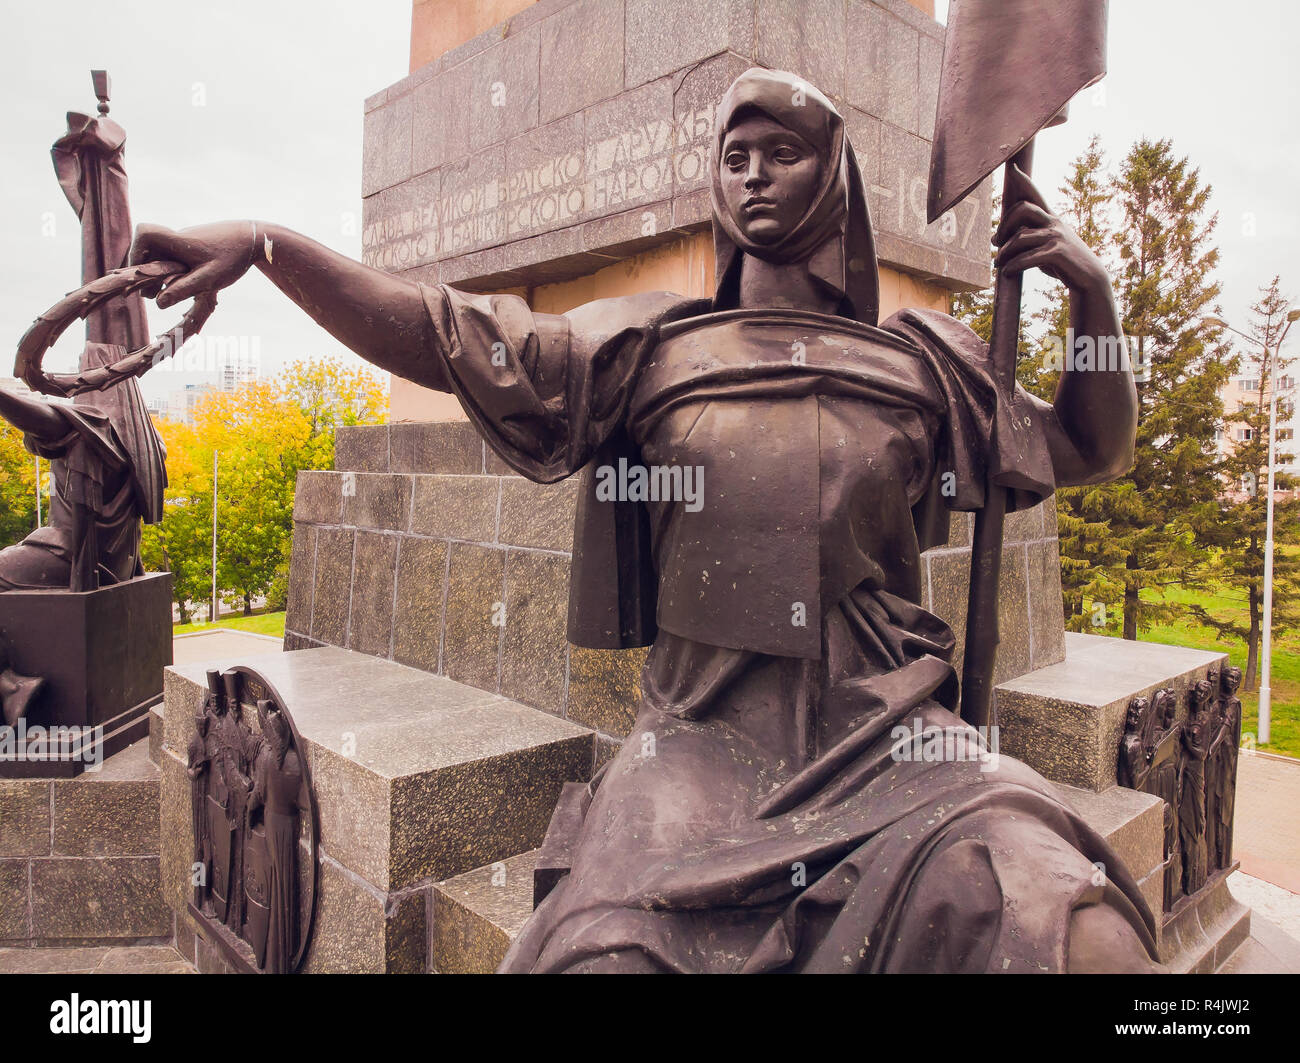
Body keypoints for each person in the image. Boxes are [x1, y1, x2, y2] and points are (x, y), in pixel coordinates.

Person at [130, 68, 1155, 973]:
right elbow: (447, 337)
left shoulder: (918, 364)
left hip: (893, 741)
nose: (753, 174)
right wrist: (270, 247)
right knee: (604, 955)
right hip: (697, 746)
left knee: (1076, 927)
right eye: (735, 155)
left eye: (782, 154)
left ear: (831, 183)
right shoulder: (651, 352)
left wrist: (1095, 300)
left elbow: (1088, 448)